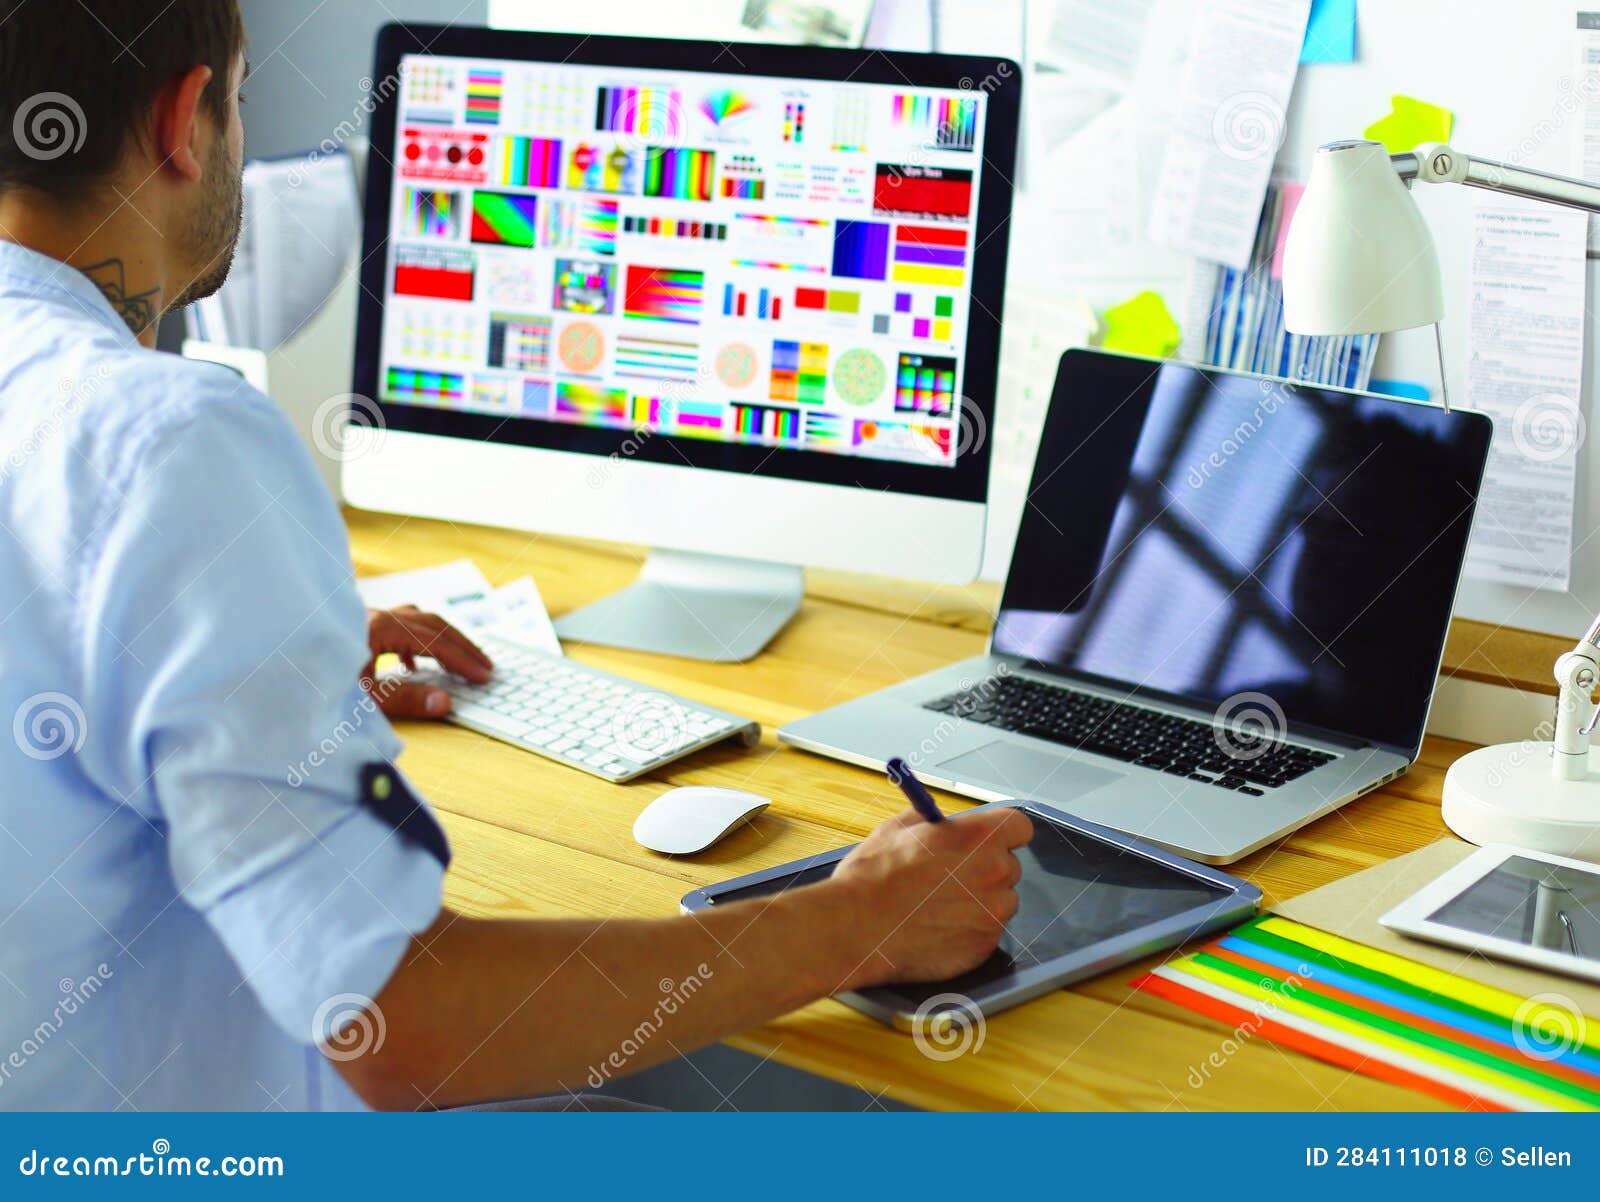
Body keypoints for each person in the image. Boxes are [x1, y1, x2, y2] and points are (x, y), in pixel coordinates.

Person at [0, 1, 1031, 1111]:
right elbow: (394, 1026)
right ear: (183, 116)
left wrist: (257, 675)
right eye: (242, 100)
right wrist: (860, 919)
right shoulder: (165, 438)